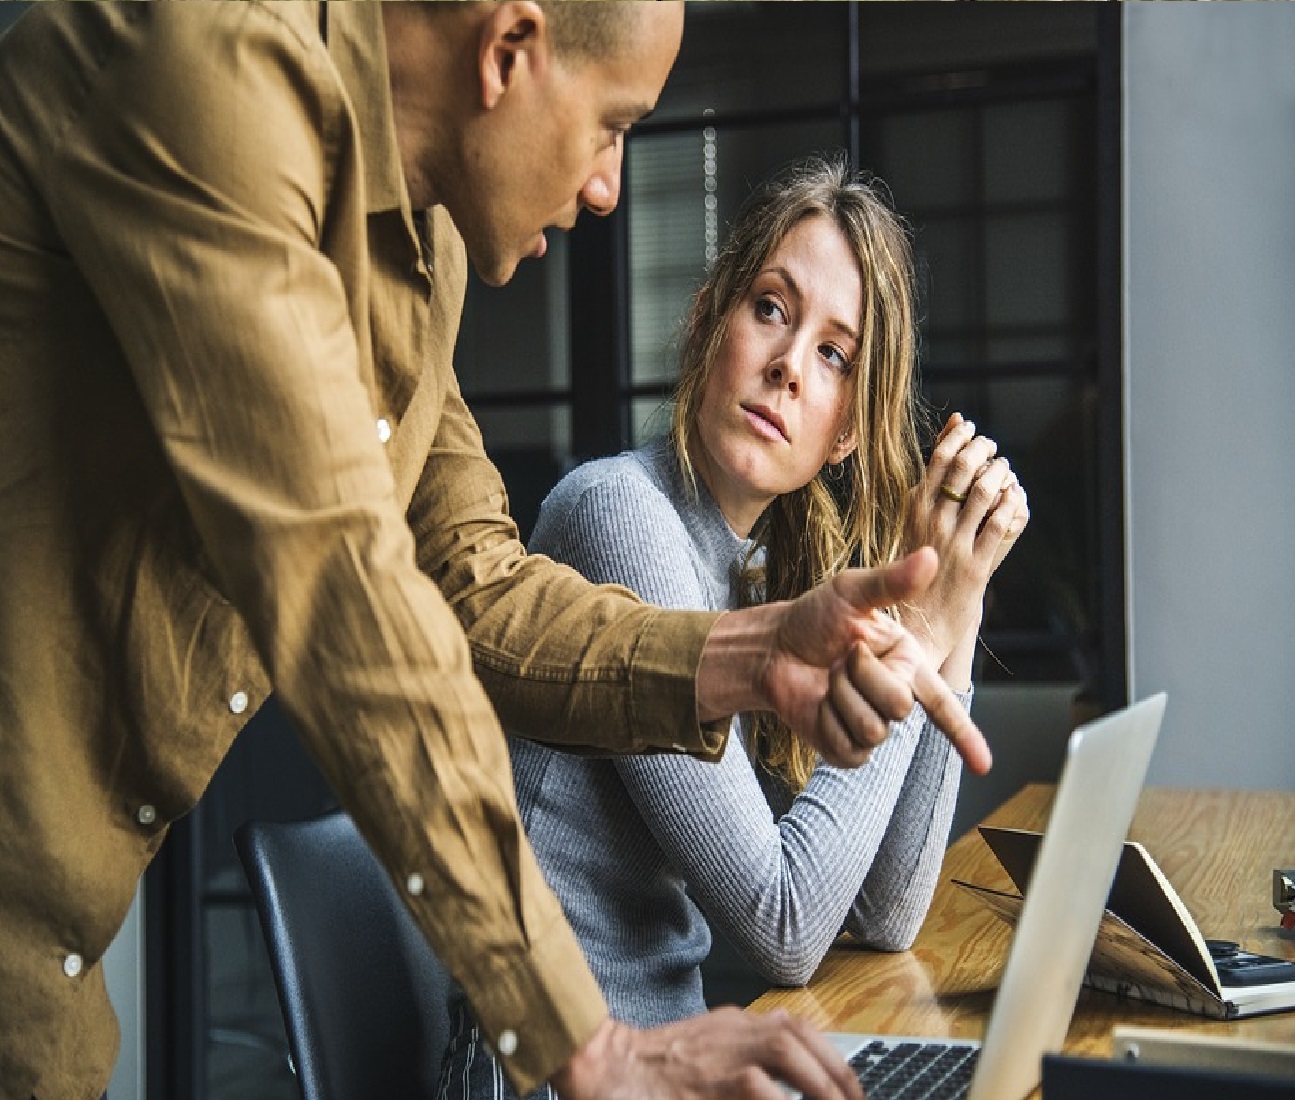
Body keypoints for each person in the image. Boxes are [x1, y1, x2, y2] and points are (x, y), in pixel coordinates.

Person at [0, 6, 988, 1100]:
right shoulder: (215, 76)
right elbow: (343, 590)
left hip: (45, 965)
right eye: (612, 123)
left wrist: (755, 651)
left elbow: (479, 584)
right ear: (508, 51)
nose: (609, 183)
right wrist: (592, 1045)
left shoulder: (419, 249)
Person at [439, 155, 1030, 1100]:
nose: (790, 366)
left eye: (835, 354)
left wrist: (952, 618)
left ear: (843, 431)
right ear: (711, 318)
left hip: (679, 1064)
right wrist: (916, 627)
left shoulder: (755, 574)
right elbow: (785, 926)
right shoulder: (616, 516)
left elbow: (886, 911)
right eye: (770, 308)